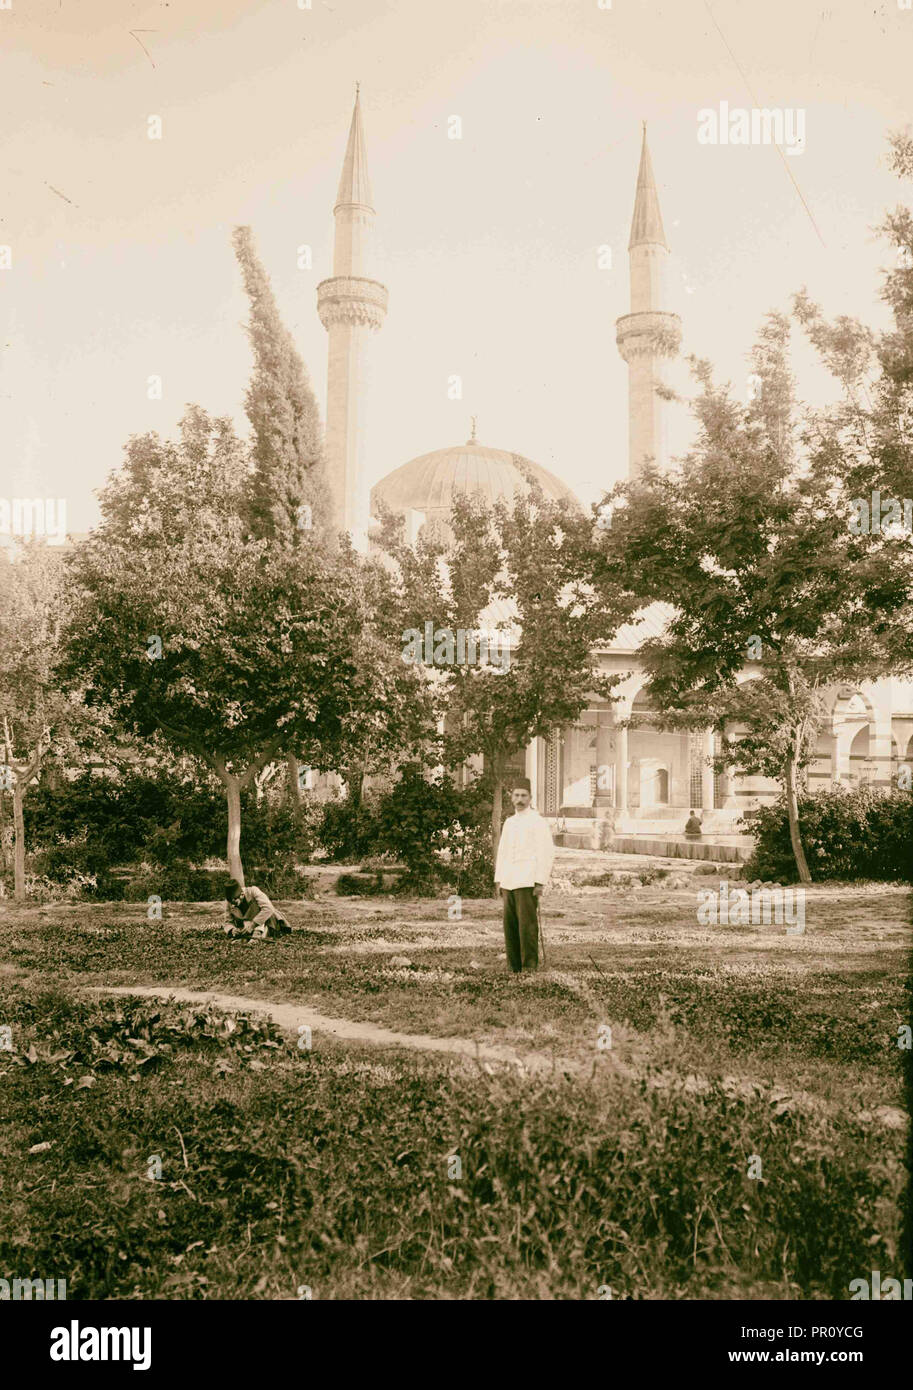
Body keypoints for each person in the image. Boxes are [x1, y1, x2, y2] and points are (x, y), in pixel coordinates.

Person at [494, 775, 555, 974]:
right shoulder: (510, 822)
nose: (519, 799)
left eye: (524, 796)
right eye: (516, 795)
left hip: (527, 880)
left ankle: (529, 965)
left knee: (527, 926)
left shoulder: (537, 822)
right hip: (509, 881)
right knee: (510, 926)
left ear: (530, 798)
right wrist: (499, 879)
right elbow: (502, 852)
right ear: (511, 797)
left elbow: (546, 852)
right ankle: (514, 966)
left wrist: (540, 881)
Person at [223, 879, 291, 941]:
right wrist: (232, 930)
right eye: (230, 901)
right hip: (247, 928)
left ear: (242, 895)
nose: (232, 904)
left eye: (235, 900)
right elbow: (228, 921)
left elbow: (269, 909)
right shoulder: (229, 902)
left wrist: (253, 925)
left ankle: (258, 934)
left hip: (267, 922)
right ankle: (252, 936)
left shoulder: (253, 892)